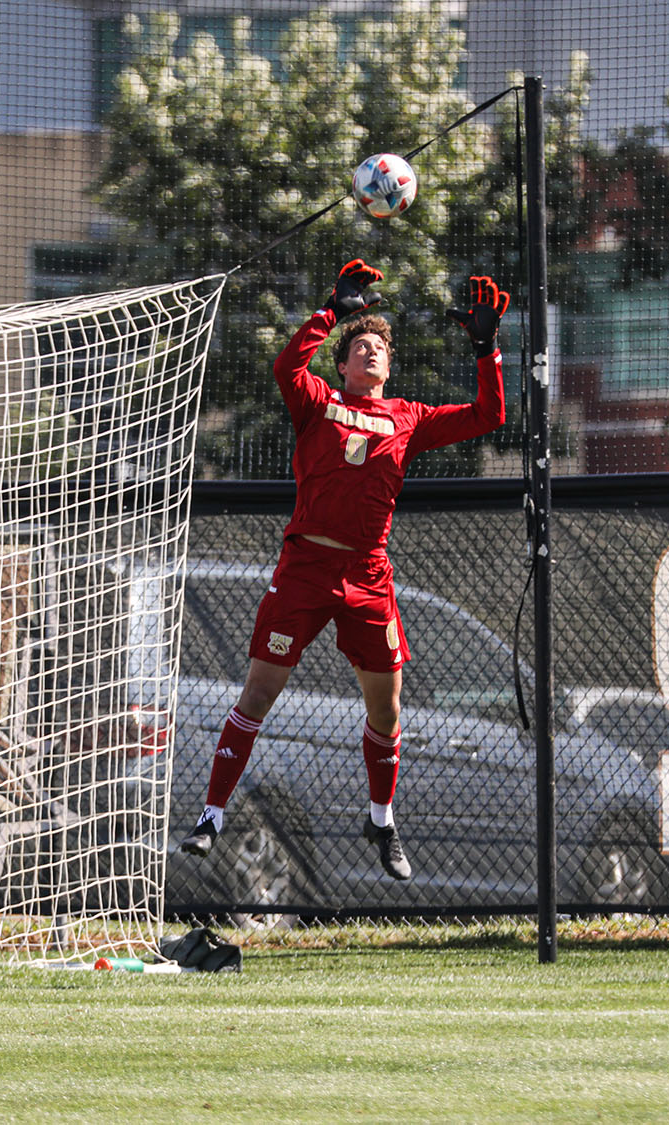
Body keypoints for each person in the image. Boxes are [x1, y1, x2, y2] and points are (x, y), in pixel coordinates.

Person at [178, 260, 508, 882]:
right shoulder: (318, 402)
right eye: (360, 346)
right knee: (258, 694)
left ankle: (381, 819)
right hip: (306, 567)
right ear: (343, 362)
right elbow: (286, 367)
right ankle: (211, 816)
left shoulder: (408, 417)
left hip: (369, 574)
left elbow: (489, 417)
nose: (371, 351)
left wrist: (486, 348)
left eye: (379, 347)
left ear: (389, 366)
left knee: (386, 710)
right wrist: (332, 311)